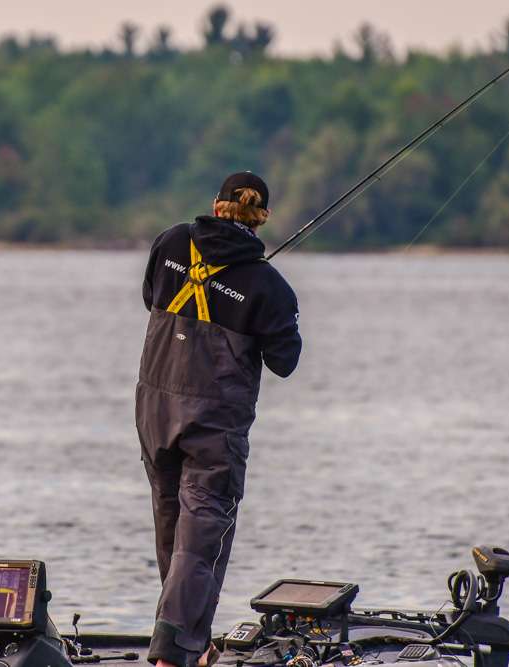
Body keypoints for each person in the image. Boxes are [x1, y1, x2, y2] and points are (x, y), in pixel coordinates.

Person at [136, 172, 302, 667]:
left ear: (216, 204)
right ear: (262, 218)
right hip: (214, 424)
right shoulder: (268, 285)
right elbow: (285, 361)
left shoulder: (170, 242)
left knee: (173, 529)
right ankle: (172, 653)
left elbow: (152, 296)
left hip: (154, 411)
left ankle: (193, 643)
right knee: (201, 536)